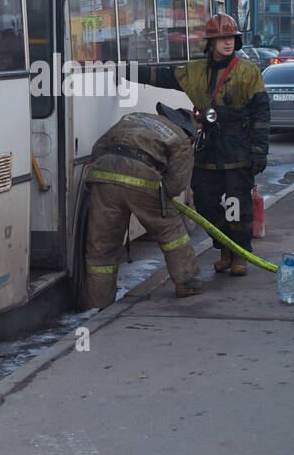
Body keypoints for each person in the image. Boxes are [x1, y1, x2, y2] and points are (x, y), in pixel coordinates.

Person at [135, 13, 270, 275]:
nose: (227, 43)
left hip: (237, 151)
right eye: (221, 38)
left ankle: (239, 255)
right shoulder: (195, 71)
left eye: (230, 37)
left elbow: (261, 115)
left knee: (235, 205)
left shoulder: (248, 72)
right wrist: (124, 70)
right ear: (211, 42)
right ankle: (224, 248)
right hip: (208, 149)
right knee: (206, 202)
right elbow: (161, 76)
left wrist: (259, 150)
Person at [83, 105, 208, 305]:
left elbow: (99, 147)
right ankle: (186, 282)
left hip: (103, 177)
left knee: (102, 245)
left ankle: (100, 302)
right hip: (143, 180)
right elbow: (176, 185)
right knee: (171, 232)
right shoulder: (181, 140)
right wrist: (159, 196)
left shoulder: (134, 117)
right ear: (189, 129)